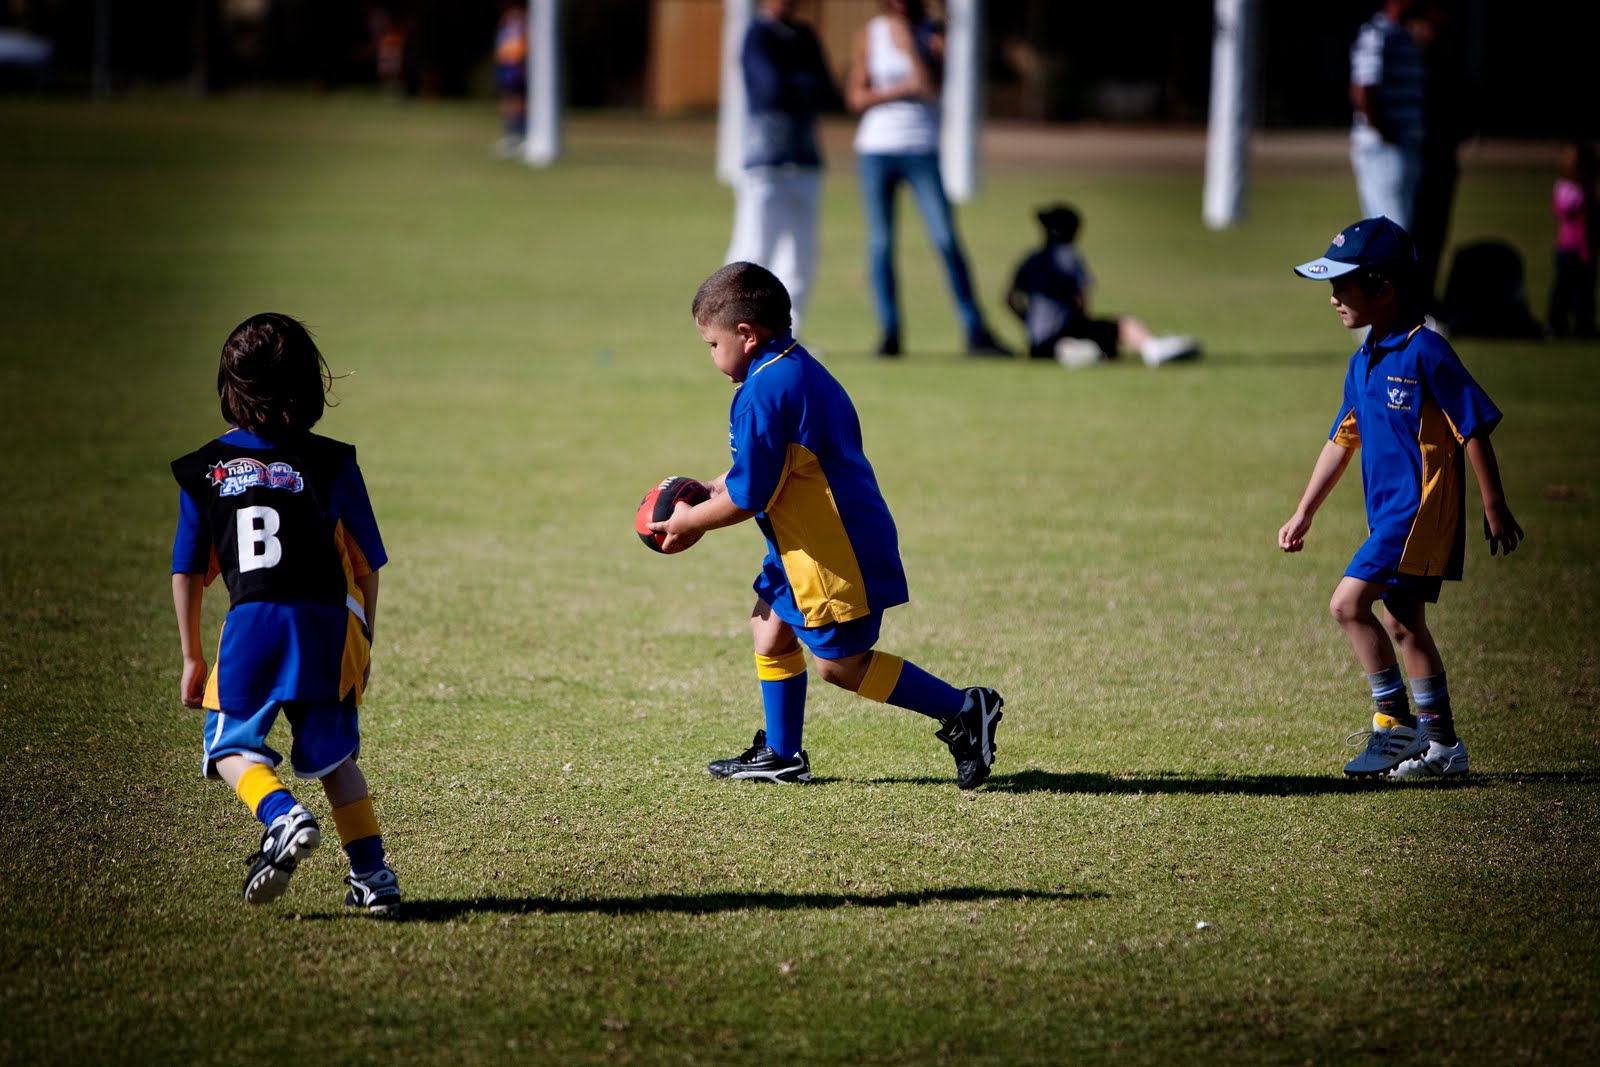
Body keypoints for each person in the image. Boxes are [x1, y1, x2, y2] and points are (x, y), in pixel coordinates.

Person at [648, 262, 1005, 788]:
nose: (712, 355)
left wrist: (690, 522)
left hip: (834, 553)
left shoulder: (765, 391)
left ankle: (964, 709)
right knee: (769, 630)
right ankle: (782, 754)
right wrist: (714, 485)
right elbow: (776, 461)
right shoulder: (794, 366)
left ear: (746, 335)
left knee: (840, 666)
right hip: (803, 544)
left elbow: (751, 496)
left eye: (712, 343)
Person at [171, 313, 401, 913]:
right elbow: (367, 563)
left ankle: (281, 814)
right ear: (309, 385)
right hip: (327, 627)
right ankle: (374, 877)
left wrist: (192, 656)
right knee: (336, 757)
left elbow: (187, 570)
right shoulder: (331, 462)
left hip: (254, 624)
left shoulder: (206, 469)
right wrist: (365, 640)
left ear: (230, 387)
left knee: (227, 747)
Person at [1279, 218, 1523, 780]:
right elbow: (1341, 440)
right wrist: (1304, 511)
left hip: (1417, 514)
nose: (1333, 298)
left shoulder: (1426, 351)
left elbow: (1473, 426)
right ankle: (1443, 748)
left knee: (1347, 605)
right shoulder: (1362, 359)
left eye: (1343, 286)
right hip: (1387, 517)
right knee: (1404, 621)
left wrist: (1493, 505)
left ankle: (1393, 725)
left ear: (1384, 288)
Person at [847, 0, 1011, 358]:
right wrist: (898, 90)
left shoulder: (934, 33)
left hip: (921, 149)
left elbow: (930, 85)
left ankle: (975, 329)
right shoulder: (870, 34)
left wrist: (909, 48)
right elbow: (856, 97)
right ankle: (890, 332)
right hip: (876, 149)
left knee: (945, 239)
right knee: (880, 244)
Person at [725, 0, 843, 337]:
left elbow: (828, 91)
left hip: (805, 161)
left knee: (801, 256)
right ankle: (734, 330)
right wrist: (804, 82)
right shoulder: (757, 35)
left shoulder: (804, 35)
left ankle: (786, 334)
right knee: (753, 249)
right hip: (766, 162)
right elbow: (769, 88)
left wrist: (798, 83)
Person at [1005, 203, 1200, 368]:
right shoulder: (1069, 257)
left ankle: (1073, 350)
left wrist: (1029, 321)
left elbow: (1010, 299)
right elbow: (1083, 300)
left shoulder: (1031, 259)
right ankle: (1152, 349)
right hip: (1064, 330)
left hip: (1036, 343)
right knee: (1122, 325)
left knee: (1084, 343)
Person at [1404, 0, 1474, 320]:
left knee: (1434, 235)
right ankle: (1408, 302)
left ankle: (1425, 299)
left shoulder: (1448, 66)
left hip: (1440, 160)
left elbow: (1466, 111)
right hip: (1413, 161)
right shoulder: (1408, 65)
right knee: (1409, 234)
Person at [1348, 1, 1425, 230]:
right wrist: (1385, 133)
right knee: (1393, 235)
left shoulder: (1406, 35)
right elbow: (1362, 91)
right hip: (1385, 149)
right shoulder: (1377, 34)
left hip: (1406, 144)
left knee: (1394, 233)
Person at [1548, 139, 1597, 338]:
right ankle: (1561, 325)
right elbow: (1571, 215)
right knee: (1569, 289)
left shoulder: (1566, 188)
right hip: (1575, 249)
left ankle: (1577, 325)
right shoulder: (1576, 191)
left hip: (1570, 248)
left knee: (1577, 291)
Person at [492, 1, 528, 158]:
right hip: (506, 69)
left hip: (517, 69)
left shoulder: (524, 24)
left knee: (518, 102)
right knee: (507, 102)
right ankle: (511, 134)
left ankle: (521, 134)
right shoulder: (506, 24)